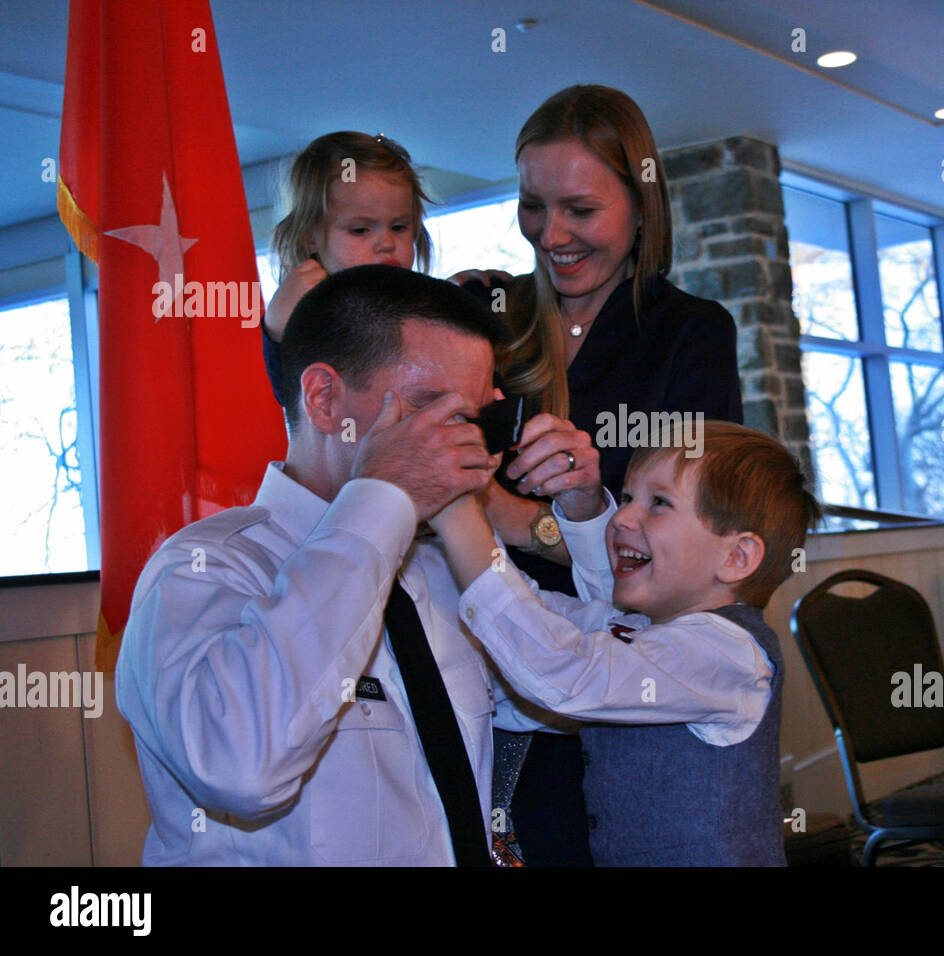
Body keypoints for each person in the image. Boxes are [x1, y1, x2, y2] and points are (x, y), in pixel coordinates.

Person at [116, 266, 608, 865]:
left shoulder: (447, 570)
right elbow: (239, 764)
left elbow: (600, 683)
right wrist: (382, 499)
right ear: (325, 399)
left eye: (473, 420)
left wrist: (583, 517)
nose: (464, 445)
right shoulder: (200, 572)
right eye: (432, 411)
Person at [455, 85, 744, 865]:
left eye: (579, 210)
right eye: (531, 207)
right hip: (483, 670)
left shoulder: (690, 335)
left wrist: (523, 521)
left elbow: (687, 554)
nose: (551, 235)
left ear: (642, 206)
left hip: (623, 686)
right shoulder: (486, 321)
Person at [430, 421, 820, 865]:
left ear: (736, 558)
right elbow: (536, 619)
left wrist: (457, 512)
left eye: (658, 503)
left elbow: (566, 673)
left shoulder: (726, 651)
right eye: (629, 496)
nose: (622, 516)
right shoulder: (638, 631)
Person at [260, 131, 433, 405]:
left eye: (399, 227)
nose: (387, 243)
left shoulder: (428, 304)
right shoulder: (309, 316)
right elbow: (296, 401)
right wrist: (279, 330)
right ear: (309, 237)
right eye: (360, 230)